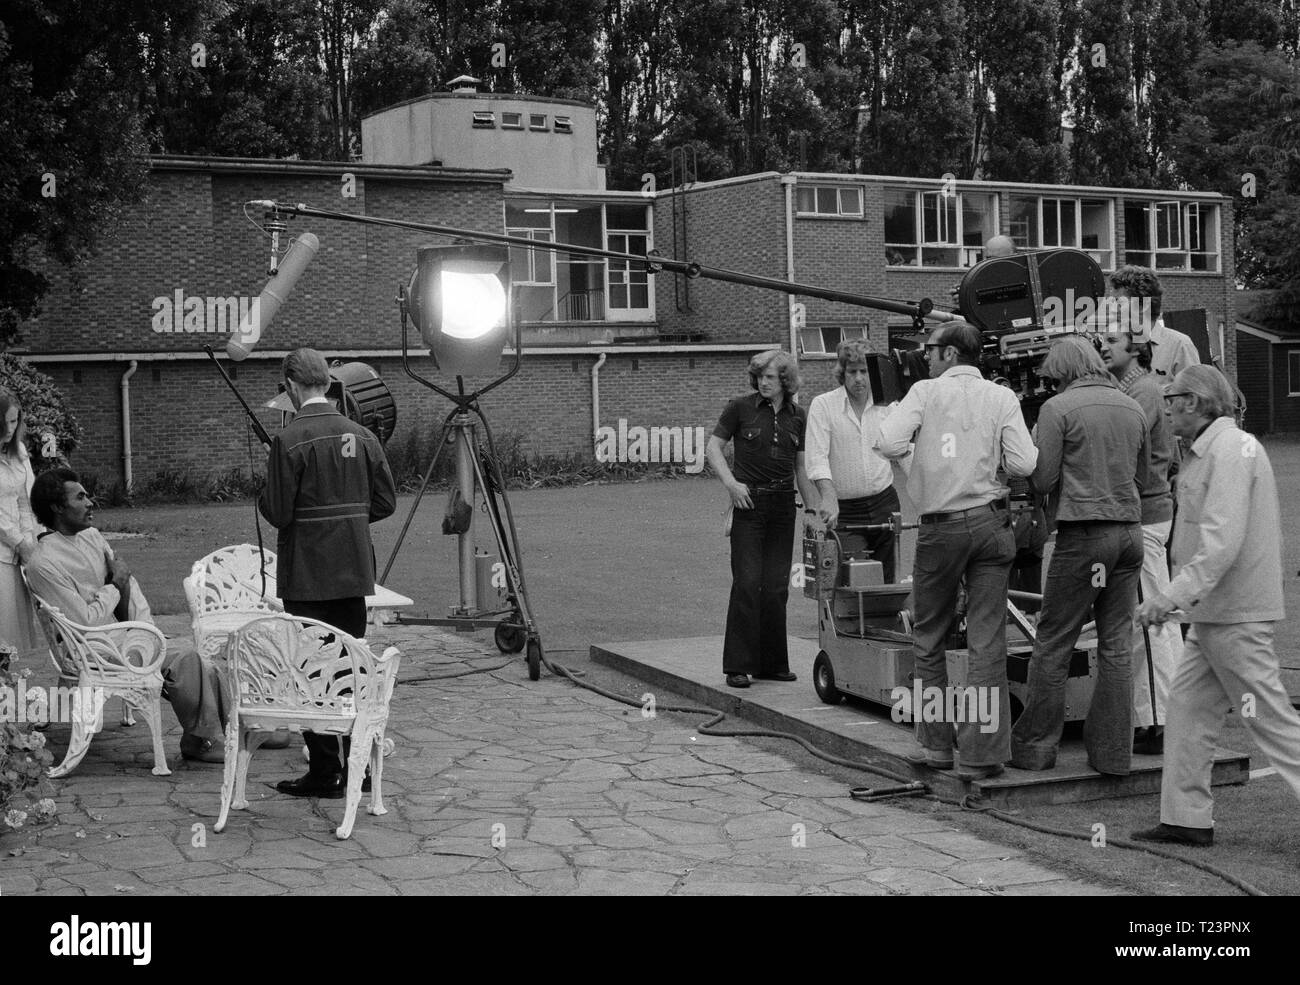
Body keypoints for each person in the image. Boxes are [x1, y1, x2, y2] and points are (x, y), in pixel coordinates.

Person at [1132, 367, 1300, 847]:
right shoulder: (1218, 449)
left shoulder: (1228, 451)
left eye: (1171, 398)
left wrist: (1169, 596)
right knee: (1186, 711)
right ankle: (1185, 818)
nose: (1165, 407)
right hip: (1218, 614)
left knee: (1272, 723)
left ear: (1194, 401)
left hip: (1234, 613)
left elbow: (1219, 542)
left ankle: (1185, 817)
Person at [876, 320, 1037, 781]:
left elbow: (887, 441)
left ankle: (937, 748)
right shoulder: (1002, 397)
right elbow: (1025, 462)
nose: (924, 357)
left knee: (930, 639)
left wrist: (916, 464)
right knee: (988, 642)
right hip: (989, 523)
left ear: (949, 354)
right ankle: (983, 755)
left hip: (940, 528)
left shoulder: (926, 393)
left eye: (930, 349)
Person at [259, 348, 397, 798]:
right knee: (350, 669)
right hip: (354, 572)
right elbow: (385, 503)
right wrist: (347, 522)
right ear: (329, 383)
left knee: (311, 675)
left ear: (292, 386)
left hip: (307, 575)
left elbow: (278, 512)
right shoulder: (361, 434)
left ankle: (325, 772)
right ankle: (360, 765)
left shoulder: (288, 440)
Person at [1010, 337, 1147, 776]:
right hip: (1129, 534)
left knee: (1052, 643)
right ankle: (1112, 755)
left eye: (1051, 376)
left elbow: (1045, 478)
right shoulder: (1133, 406)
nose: (1047, 383)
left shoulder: (1057, 409)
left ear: (1064, 372)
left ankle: (1035, 748)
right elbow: (1144, 476)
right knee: (1117, 648)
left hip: (1083, 535)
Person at [25, 468, 227, 761]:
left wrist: (143, 628)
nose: (90, 502)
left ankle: (225, 730)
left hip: (121, 637)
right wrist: (114, 586)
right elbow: (84, 622)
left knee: (200, 659)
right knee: (187, 658)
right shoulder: (43, 562)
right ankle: (201, 740)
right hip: (92, 649)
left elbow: (126, 584)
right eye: (80, 497)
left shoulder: (92, 537)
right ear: (57, 507)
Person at [706, 349, 818, 689]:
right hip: (748, 505)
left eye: (771, 377)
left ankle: (772, 664)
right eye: (760, 376)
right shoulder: (739, 407)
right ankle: (737, 666)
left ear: (785, 380)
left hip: (784, 507)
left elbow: (800, 467)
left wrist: (812, 510)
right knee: (747, 583)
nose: (763, 382)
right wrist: (731, 484)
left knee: (776, 587)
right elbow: (713, 448)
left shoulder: (799, 415)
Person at [1099, 316, 1181, 756]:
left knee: (1151, 621)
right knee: (1148, 618)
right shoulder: (1131, 390)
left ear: (1137, 349)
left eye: (1112, 340)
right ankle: (1156, 715)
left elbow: (1122, 448)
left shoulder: (1142, 391)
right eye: (1102, 340)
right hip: (1145, 512)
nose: (1103, 346)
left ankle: (1161, 720)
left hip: (1146, 515)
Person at [805, 340, 908, 583]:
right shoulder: (823, 405)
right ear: (842, 373)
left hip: (885, 504)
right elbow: (816, 458)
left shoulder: (889, 406)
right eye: (852, 372)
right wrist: (828, 497)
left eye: (864, 371)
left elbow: (907, 452)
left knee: (887, 580)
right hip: (845, 511)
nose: (859, 378)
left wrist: (930, 496)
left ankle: (885, 620)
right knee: (858, 578)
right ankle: (845, 620)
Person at [1107, 266, 1201, 383]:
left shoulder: (1179, 345)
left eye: (1119, 302)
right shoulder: (1110, 345)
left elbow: (1195, 396)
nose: (1112, 309)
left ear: (1143, 306)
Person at [0, 388, 39, 658]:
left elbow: (26, 501)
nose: (11, 428)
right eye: (5, 422)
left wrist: (28, 540)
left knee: (9, 641)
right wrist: (17, 541)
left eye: (15, 421)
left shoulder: (19, 452)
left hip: (16, 554)